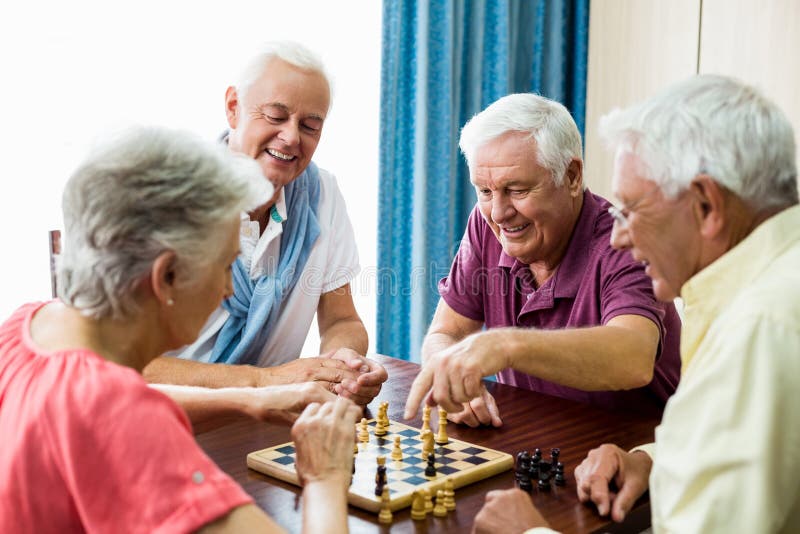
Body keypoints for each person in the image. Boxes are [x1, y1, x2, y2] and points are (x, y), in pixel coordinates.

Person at [473, 75, 800, 532]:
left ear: (706, 206)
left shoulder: (759, 329)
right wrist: (650, 460)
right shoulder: (774, 283)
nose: (620, 236)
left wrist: (529, 532)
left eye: (631, 210)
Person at [0, 126, 361, 533]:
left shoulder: (27, 326)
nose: (228, 289)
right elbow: (118, 412)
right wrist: (324, 478)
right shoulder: (131, 425)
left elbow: (102, 401)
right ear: (166, 276)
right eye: (224, 266)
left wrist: (250, 399)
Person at [404, 92, 681, 427]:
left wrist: (505, 345)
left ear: (572, 177)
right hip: (534, 437)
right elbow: (446, 332)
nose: (498, 213)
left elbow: (634, 357)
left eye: (517, 190)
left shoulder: (623, 239)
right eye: (485, 191)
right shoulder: (486, 223)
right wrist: (452, 382)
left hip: (636, 447)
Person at [143, 41, 387, 406]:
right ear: (233, 108)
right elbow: (122, 363)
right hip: (169, 419)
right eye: (275, 117)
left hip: (270, 420)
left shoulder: (322, 193)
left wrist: (342, 366)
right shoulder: (163, 198)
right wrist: (264, 383)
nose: (291, 137)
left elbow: (342, 320)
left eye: (310, 126)